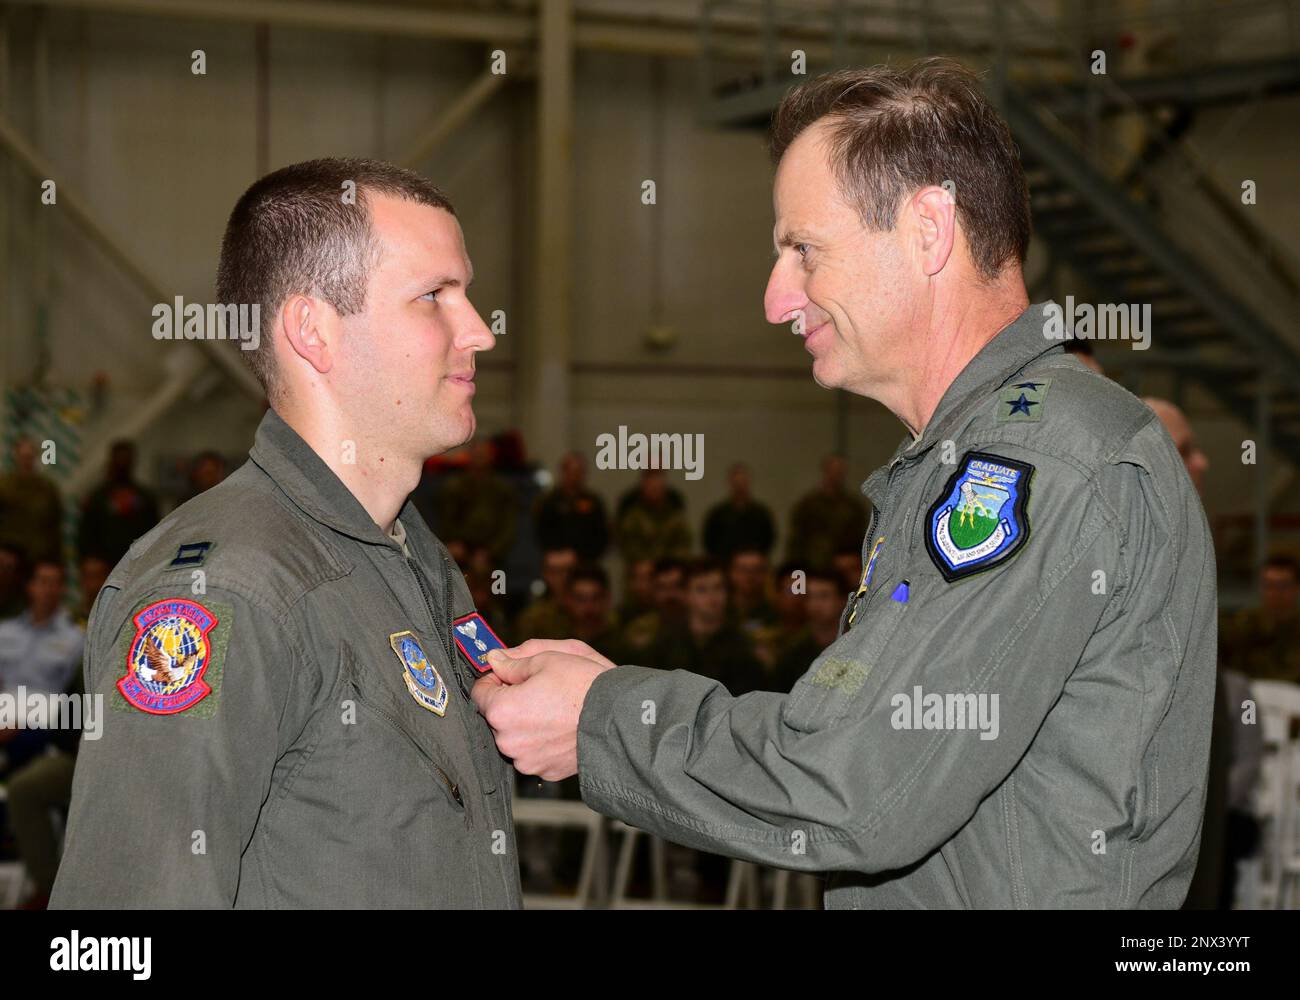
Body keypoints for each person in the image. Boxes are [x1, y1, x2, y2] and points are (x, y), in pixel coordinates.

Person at [474, 59, 1217, 909]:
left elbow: (857, 784)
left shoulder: (1036, 462)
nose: (775, 298)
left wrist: (602, 718)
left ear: (928, 230)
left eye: (804, 250)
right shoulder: (982, 451)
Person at [51, 157, 519, 908]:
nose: (480, 332)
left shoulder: (409, 561)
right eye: (435, 297)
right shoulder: (226, 592)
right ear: (314, 331)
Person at [0, 558, 86, 773]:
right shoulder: (6, 631)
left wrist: (20, 719)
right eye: (43, 581)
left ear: (63, 589)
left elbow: (70, 695)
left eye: (56, 583)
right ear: (30, 586)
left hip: (42, 718)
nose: (49, 589)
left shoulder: (76, 638)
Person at [643, 558, 764, 697]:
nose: (712, 597)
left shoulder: (742, 646)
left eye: (718, 588)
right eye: (702, 590)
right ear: (686, 595)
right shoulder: (665, 644)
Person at [76, 440, 160, 567]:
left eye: (126, 459)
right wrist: (89, 559)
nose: (122, 463)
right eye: (119, 459)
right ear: (112, 461)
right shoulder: (98, 497)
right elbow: (86, 533)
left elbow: (154, 531)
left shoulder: (145, 497)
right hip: (103, 565)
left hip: (136, 563)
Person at [1220, 554, 1300, 685]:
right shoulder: (1243, 626)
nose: (1275, 593)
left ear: (1296, 588)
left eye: (1283, 586)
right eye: (1269, 585)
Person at [435, 439, 518, 564]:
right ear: (470, 456)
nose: (480, 458)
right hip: (459, 547)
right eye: (477, 454)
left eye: (483, 454)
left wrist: (492, 552)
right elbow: (445, 520)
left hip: (491, 552)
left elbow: (508, 527)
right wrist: (453, 543)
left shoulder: (503, 489)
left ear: (492, 456)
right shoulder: (454, 487)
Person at [785, 454, 868, 569]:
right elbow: (797, 538)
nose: (835, 475)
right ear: (825, 471)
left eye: (840, 472)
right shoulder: (807, 504)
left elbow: (862, 537)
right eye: (832, 471)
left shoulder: (853, 506)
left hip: (844, 564)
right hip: (812, 562)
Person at [534, 451, 609, 563]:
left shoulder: (593, 502)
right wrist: (557, 554)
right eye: (571, 471)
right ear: (563, 472)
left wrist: (581, 556)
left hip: (586, 562)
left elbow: (601, 535)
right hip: (556, 561)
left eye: (579, 472)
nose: (575, 476)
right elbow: (541, 532)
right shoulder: (549, 502)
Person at [0, 436, 64, 565]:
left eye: (29, 457)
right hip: (11, 559)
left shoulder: (47, 489)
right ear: (16, 457)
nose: (26, 461)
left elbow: (55, 527)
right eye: (23, 457)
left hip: (41, 558)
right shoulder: (4, 487)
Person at [615, 469, 691, 563]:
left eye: (658, 486)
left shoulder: (675, 515)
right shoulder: (633, 517)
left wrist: (672, 564)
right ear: (643, 486)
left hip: (670, 567)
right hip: (639, 567)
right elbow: (627, 544)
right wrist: (643, 563)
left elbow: (683, 543)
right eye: (651, 485)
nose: (654, 489)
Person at [703, 462, 775, 560]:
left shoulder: (761, 512)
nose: (740, 486)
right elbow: (709, 539)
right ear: (730, 483)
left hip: (754, 561)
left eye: (742, 481)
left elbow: (769, 538)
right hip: (724, 561)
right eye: (736, 482)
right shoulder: (718, 513)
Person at [512, 545, 578, 641]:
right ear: (545, 574)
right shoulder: (533, 619)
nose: (564, 578)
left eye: (570, 571)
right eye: (555, 572)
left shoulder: (596, 610)